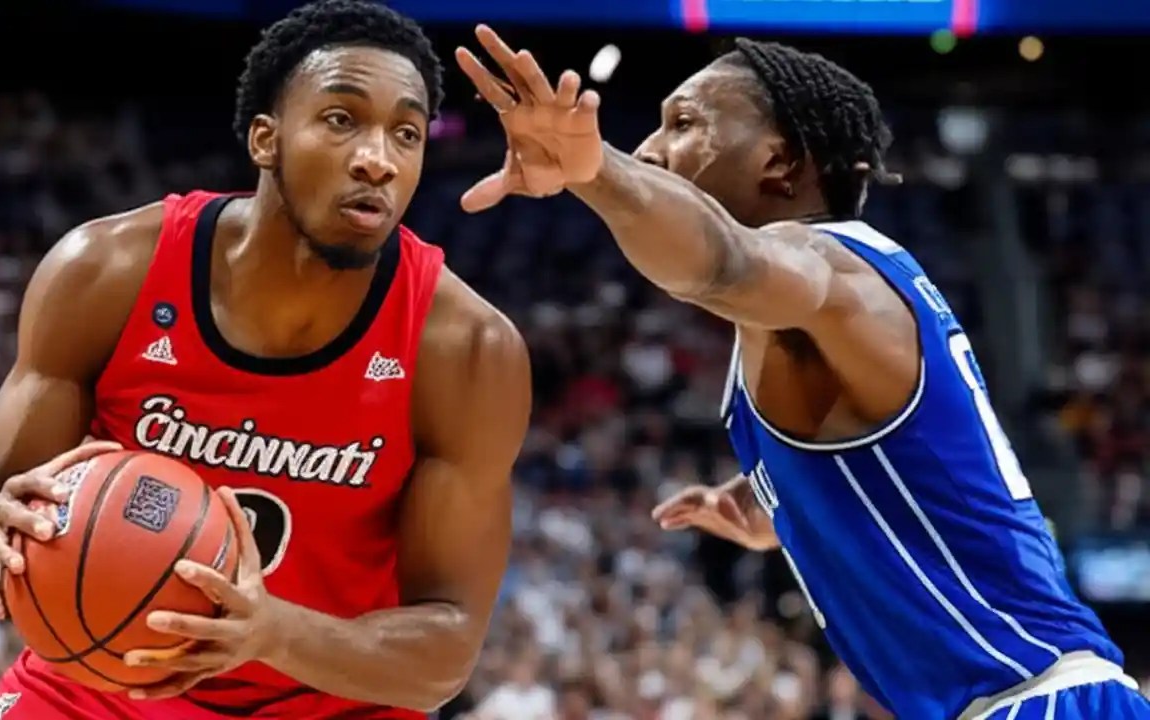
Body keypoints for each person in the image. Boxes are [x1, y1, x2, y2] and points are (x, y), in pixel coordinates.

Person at [455, 24, 1150, 720]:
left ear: (781, 162)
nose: (649, 147)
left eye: (685, 123)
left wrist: (595, 170)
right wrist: (779, 503)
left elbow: (718, 264)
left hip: (1036, 698)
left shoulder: (827, 264)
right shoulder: (825, 305)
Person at [0, 3, 532, 718]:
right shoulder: (104, 272)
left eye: (406, 134)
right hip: (95, 683)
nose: (378, 158)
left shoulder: (466, 348)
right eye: (342, 119)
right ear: (265, 138)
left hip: (334, 703)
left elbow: (446, 654)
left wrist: (268, 632)